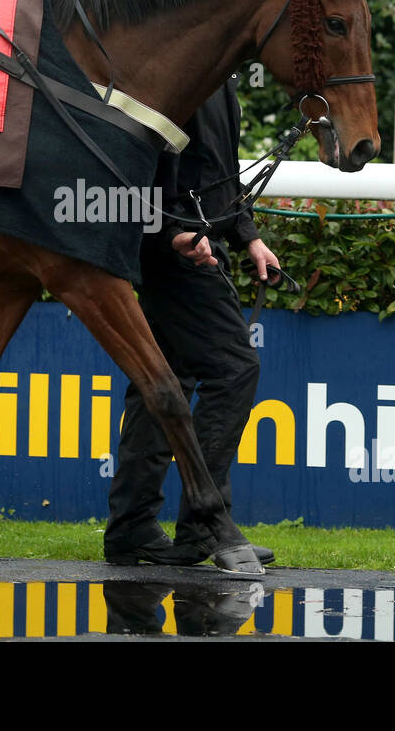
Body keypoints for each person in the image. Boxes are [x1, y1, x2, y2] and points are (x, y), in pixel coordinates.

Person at [103, 74, 278, 567]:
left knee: (162, 381)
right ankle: (205, 525)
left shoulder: (217, 75)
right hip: (176, 250)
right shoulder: (185, 66)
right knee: (234, 368)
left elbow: (215, 172)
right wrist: (173, 235)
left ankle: (131, 528)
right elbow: (132, 171)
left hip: (190, 242)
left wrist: (247, 236)